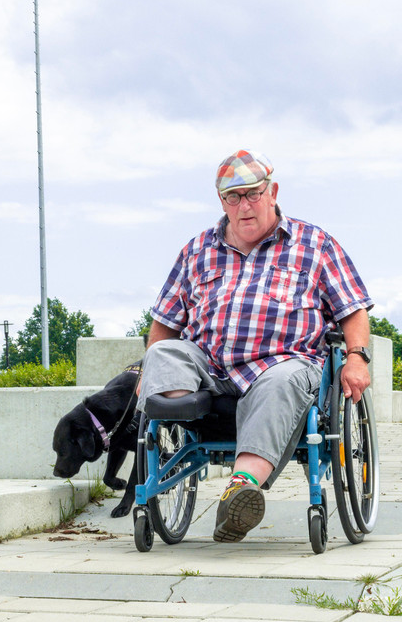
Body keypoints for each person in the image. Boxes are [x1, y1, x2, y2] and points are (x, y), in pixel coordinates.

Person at [139, 149, 373, 542]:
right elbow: (164, 325)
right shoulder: (197, 251)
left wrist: (356, 358)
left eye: (252, 194)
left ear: (272, 192)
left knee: (283, 382)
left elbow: (353, 311)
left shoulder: (314, 244)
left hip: (282, 365)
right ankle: (181, 421)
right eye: (234, 196)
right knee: (160, 353)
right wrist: (148, 373)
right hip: (209, 372)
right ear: (221, 201)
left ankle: (239, 492)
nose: (244, 205)